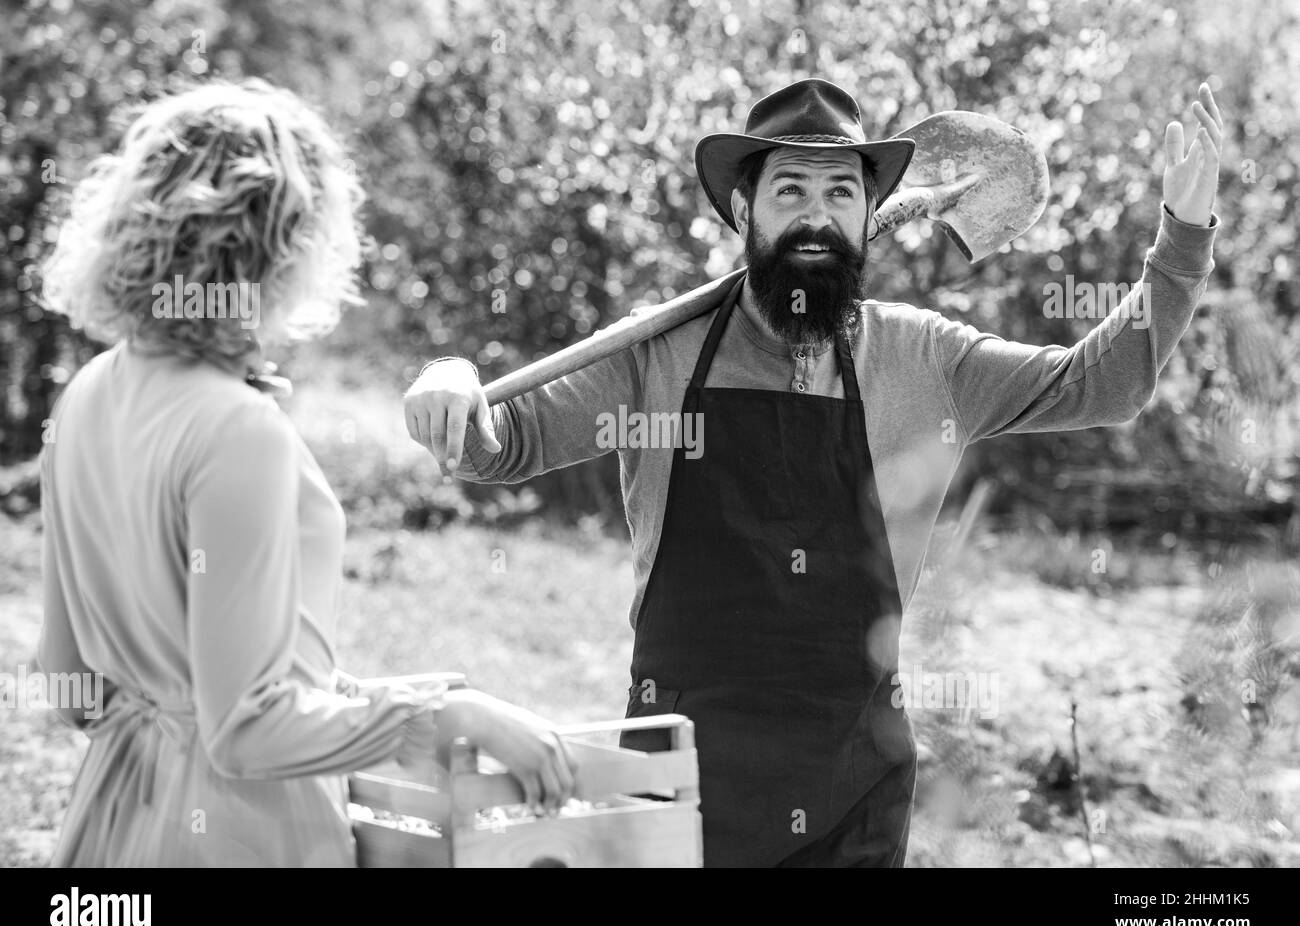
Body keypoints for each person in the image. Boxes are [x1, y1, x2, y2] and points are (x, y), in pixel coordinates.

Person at [403, 77, 1223, 867]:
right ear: (741, 211)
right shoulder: (657, 354)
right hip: (676, 779)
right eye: (789, 191)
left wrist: (1181, 239)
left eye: (840, 194)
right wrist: (449, 377)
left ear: (869, 215)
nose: (817, 216)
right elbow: (499, 443)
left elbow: (1105, 385)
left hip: (854, 796)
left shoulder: (925, 357)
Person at [36, 79, 575, 867]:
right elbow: (245, 728)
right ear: (284, 245)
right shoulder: (237, 427)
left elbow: (70, 684)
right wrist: (450, 715)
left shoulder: (85, 393)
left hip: (111, 826)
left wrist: (346, 697)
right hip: (241, 836)